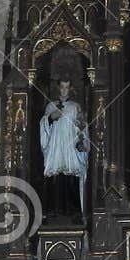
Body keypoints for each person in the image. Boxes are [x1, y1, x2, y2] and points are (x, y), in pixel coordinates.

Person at [39, 77, 89, 218]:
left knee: (70, 176)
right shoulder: (51, 106)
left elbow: (81, 126)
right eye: (62, 87)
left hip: (69, 146)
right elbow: (44, 125)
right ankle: (53, 212)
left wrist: (81, 136)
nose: (64, 90)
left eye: (67, 87)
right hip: (55, 146)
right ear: (58, 88)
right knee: (55, 177)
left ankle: (73, 213)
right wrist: (50, 118)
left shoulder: (75, 106)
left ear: (70, 89)